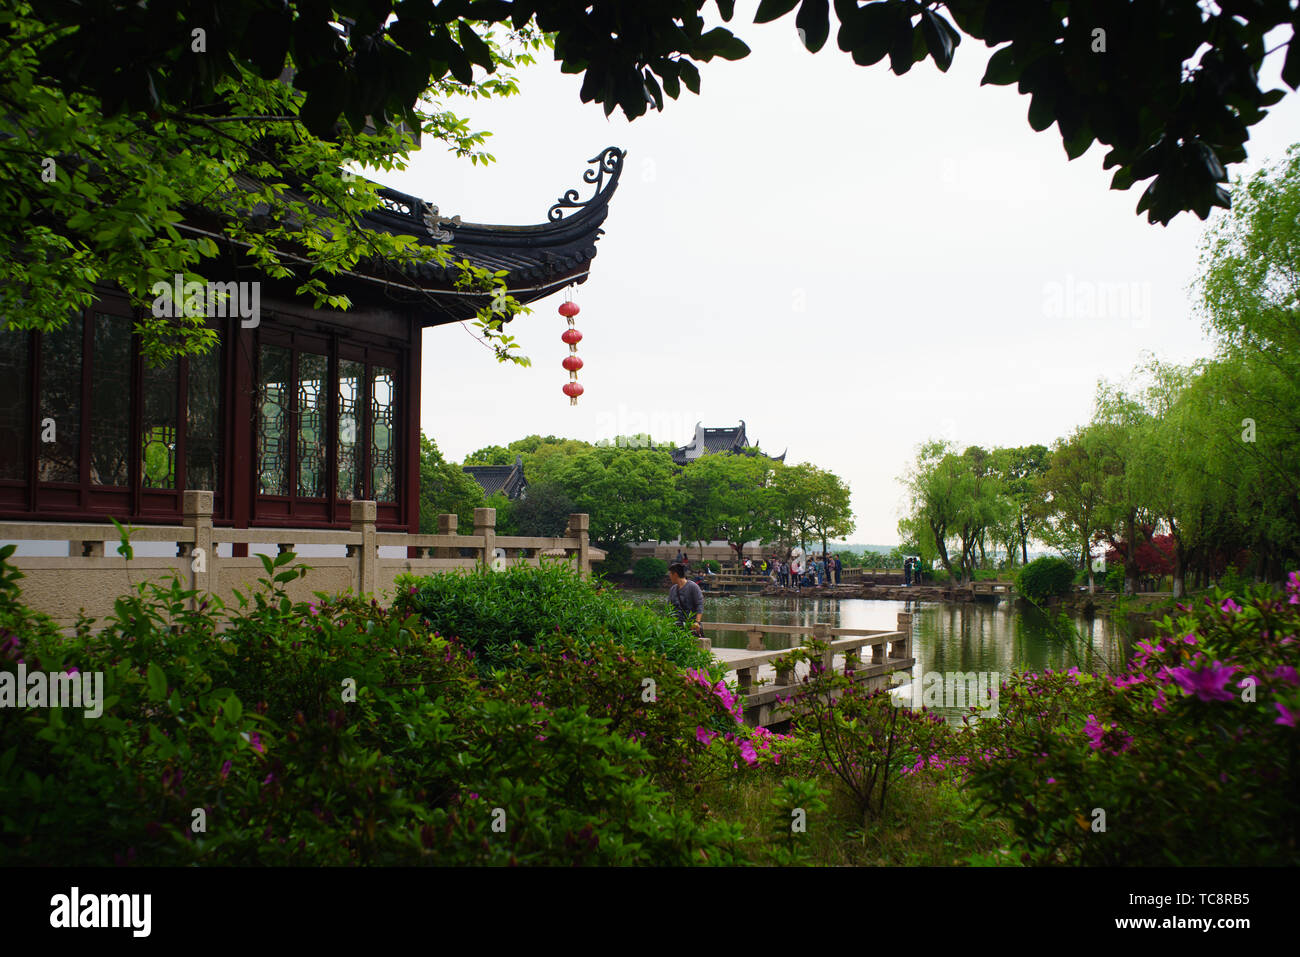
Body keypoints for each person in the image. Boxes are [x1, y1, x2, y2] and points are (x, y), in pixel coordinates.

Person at [668, 562, 704, 637]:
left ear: (675, 574)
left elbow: (699, 605)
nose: (669, 576)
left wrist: (697, 622)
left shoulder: (693, 587)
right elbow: (669, 608)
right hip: (676, 628)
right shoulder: (673, 589)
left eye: (670, 574)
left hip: (690, 626)